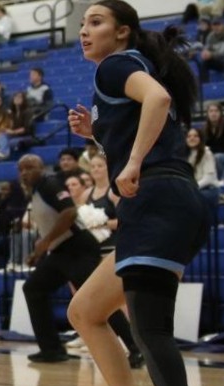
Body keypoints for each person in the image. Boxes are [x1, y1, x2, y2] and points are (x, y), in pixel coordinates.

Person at [65, 0, 218, 386]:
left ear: (123, 32)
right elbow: (148, 119)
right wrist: (100, 137)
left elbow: (158, 101)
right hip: (164, 201)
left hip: (158, 199)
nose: (84, 31)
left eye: (96, 22)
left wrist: (129, 164)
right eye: (83, 24)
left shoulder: (117, 65)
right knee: (85, 312)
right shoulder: (124, 71)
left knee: (149, 328)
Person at [18, 154, 140, 365]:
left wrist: (45, 242)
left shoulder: (50, 184)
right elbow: (50, 222)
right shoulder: (36, 191)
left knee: (98, 299)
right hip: (60, 252)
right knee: (33, 288)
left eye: (30, 168)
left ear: (41, 168)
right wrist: (38, 251)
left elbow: (69, 213)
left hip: (77, 248)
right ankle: (51, 349)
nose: (25, 173)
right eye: (21, 169)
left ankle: (135, 348)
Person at [185, 127, 221, 208]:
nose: (192, 138)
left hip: (209, 190)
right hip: (194, 190)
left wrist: (192, 188)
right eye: (189, 136)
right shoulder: (185, 155)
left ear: (200, 138)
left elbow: (209, 179)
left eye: (195, 136)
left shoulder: (207, 153)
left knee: (189, 199)